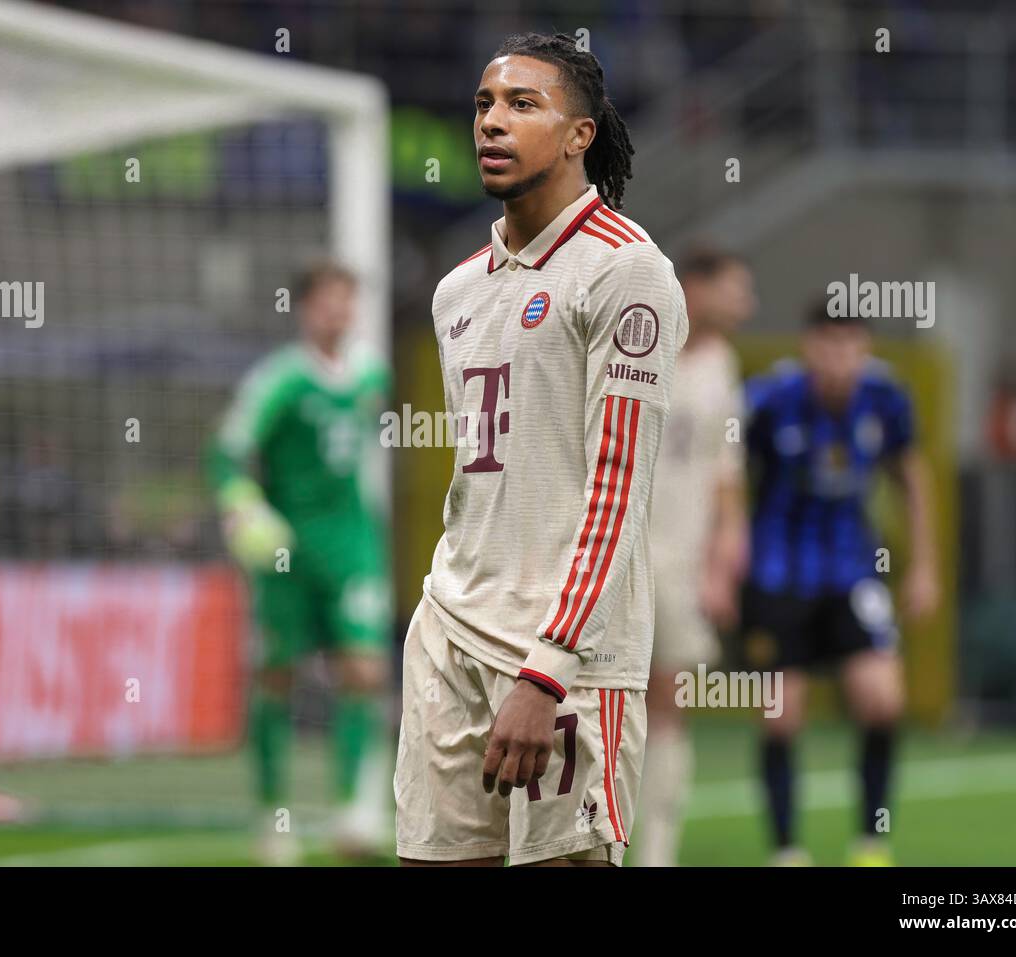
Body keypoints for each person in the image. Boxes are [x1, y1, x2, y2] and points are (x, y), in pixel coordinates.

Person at [394, 32, 688, 867]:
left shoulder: (628, 273)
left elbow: (616, 488)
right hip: (451, 631)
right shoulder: (457, 290)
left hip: (566, 660)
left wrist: (547, 670)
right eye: (484, 104)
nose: (492, 121)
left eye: (522, 105)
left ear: (578, 135)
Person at [207, 260, 392, 865]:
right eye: (328, 301)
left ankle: (353, 811)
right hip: (286, 551)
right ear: (305, 308)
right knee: (277, 678)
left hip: (351, 545)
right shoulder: (279, 381)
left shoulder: (370, 374)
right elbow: (229, 450)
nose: (339, 312)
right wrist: (242, 507)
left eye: (348, 301)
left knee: (363, 671)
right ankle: (273, 818)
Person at [742, 301, 940, 866]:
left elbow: (912, 475)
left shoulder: (887, 398)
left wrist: (924, 565)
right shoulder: (772, 400)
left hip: (853, 572)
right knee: (783, 715)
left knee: (883, 700)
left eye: (851, 345)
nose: (839, 359)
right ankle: (786, 849)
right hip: (780, 575)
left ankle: (871, 843)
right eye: (828, 345)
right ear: (809, 347)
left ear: (866, 348)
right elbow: (729, 477)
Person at [635, 246, 754, 867]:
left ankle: (657, 850)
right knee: (594, 702)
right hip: (615, 554)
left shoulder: (723, 367)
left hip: (680, 560)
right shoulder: (635, 339)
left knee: (670, 702)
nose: (746, 304)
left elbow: (724, 471)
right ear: (695, 286)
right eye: (736, 289)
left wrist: (724, 556)